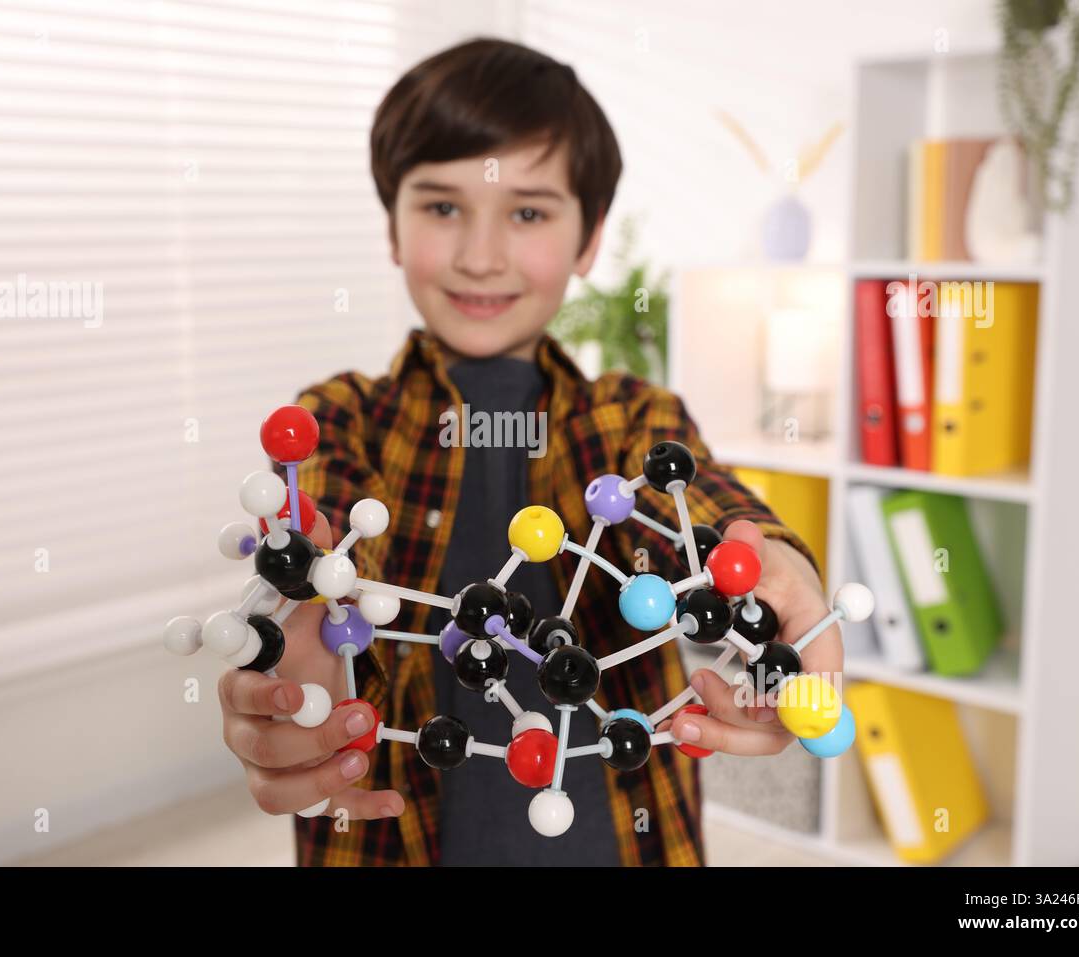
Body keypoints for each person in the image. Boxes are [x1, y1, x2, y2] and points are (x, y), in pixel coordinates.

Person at [217, 37, 841, 866]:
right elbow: (312, 547)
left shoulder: (626, 415)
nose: (481, 254)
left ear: (590, 241)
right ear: (393, 229)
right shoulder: (336, 419)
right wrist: (300, 659)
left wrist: (776, 574)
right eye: (442, 206)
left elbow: (693, 491)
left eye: (529, 211)